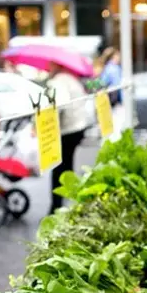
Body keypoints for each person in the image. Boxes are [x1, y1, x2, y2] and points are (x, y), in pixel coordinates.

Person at [45, 63, 89, 214]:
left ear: (57, 66)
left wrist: (48, 126)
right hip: (78, 128)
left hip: (66, 130)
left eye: (50, 66)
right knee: (67, 166)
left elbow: (59, 106)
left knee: (58, 167)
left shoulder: (58, 82)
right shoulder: (72, 79)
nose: (48, 69)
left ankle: (56, 206)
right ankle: (70, 201)